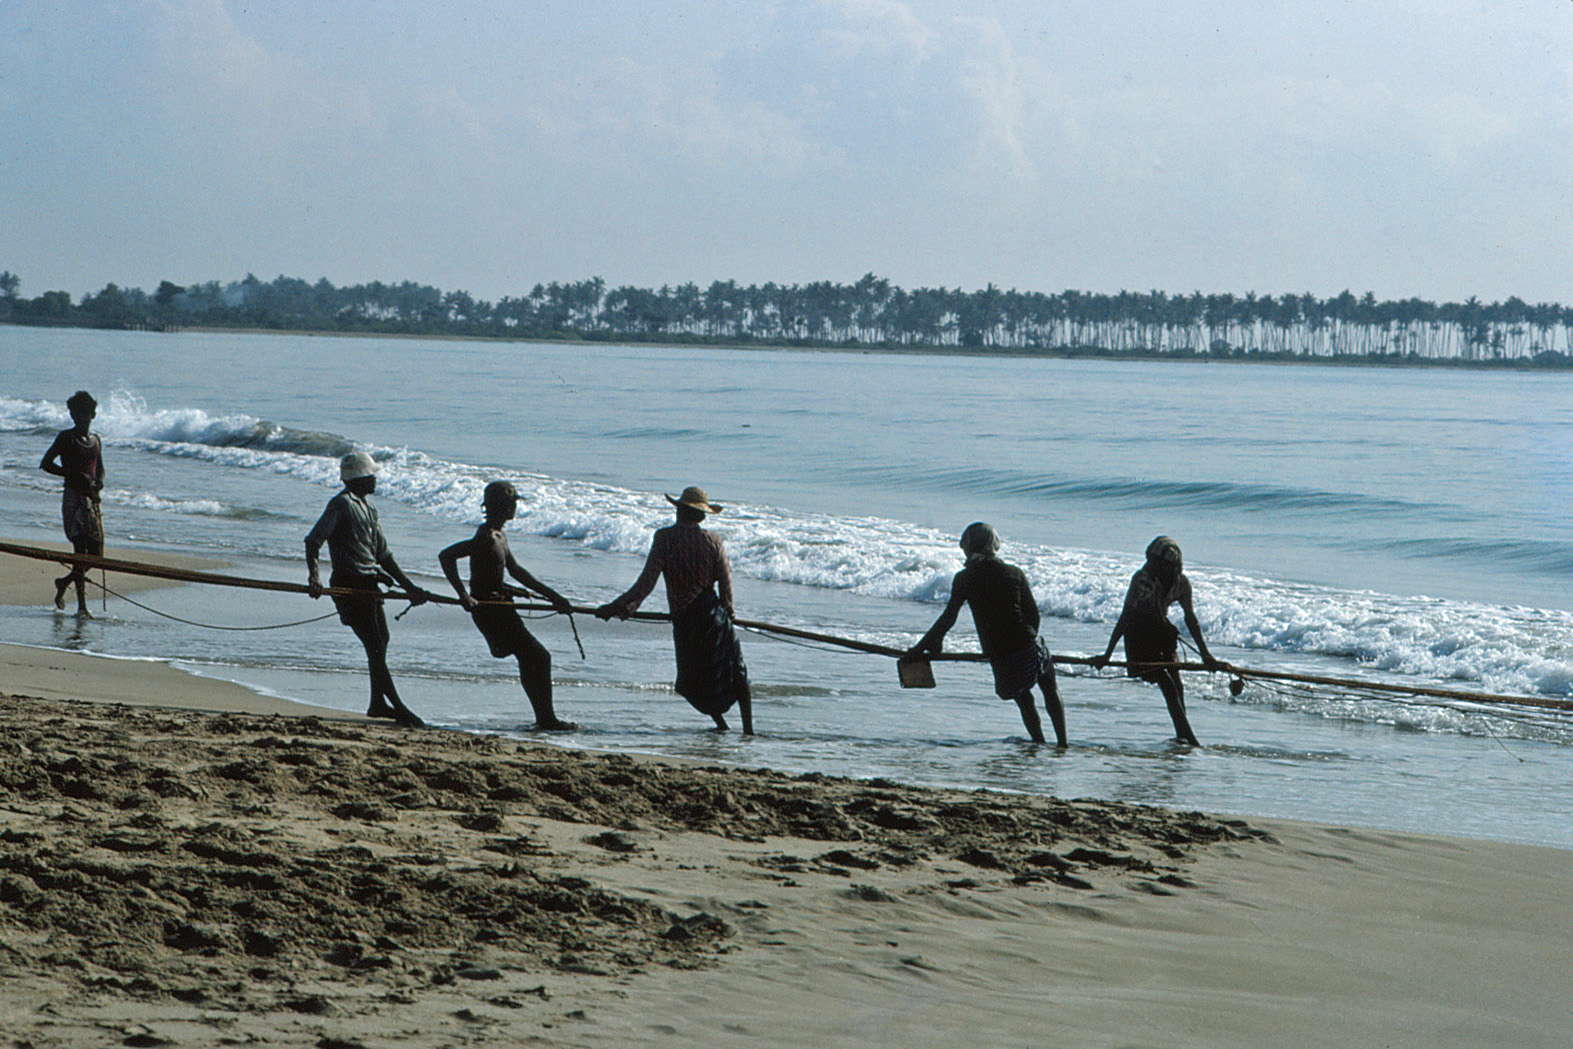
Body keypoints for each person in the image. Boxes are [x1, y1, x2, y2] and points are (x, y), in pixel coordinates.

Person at [595, 486, 753, 735]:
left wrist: (617, 607)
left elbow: (645, 584)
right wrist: (729, 614)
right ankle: (748, 731)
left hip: (686, 620)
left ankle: (722, 725)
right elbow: (726, 585)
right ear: (701, 516)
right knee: (737, 671)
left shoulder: (664, 538)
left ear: (679, 511)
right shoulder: (713, 541)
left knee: (692, 680)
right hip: (714, 618)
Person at [904, 522, 1068, 746]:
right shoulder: (1014, 573)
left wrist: (921, 647)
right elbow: (1033, 616)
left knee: (1023, 698)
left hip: (999, 651)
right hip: (1027, 645)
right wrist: (1027, 639)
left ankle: (1038, 742)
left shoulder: (965, 578)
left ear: (971, 547)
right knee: (1050, 688)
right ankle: (1062, 743)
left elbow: (948, 618)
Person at [439, 481, 579, 731]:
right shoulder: (485, 537)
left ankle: (544, 717)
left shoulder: (500, 535)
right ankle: (547, 718)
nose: (515, 507)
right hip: (490, 610)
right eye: (512, 503)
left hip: (502, 606)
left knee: (530, 657)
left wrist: (553, 597)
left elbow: (515, 571)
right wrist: (463, 595)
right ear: (501, 506)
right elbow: (446, 556)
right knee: (539, 657)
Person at [305, 451, 429, 727]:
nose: (375, 479)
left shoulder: (369, 509)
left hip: (369, 583)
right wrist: (314, 577)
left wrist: (409, 586)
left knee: (381, 641)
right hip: (349, 584)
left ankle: (377, 703)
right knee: (374, 645)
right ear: (360, 478)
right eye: (371, 475)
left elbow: (382, 554)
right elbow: (313, 541)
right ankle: (398, 707)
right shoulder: (341, 504)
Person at [1091, 535, 1220, 746]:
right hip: (1139, 636)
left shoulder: (1181, 584)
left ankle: (1182, 734)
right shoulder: (1142, 580)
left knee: (1177, 683)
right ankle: (1189, 738)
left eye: (1156, 562)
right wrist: (1107, 654)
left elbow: (1190, 619)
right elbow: (1126, 617)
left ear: (1170, 566)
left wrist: (1206, 655)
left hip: (1160, 634)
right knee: (1166, 682)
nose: (1149, 566)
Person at [39, 390, 105, 615]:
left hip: (91, 501)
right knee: (80, 552)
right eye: (77, 414)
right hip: (73, 499)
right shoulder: (66, 438)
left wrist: (99, 483)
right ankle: (82, 607)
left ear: (93, 415)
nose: (82, 419)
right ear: (72, 415)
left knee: (95, 555)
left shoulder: (96, 440)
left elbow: (100, 469)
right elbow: (46, 463)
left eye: (86, 414)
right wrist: (72, 474)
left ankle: (64, 582)